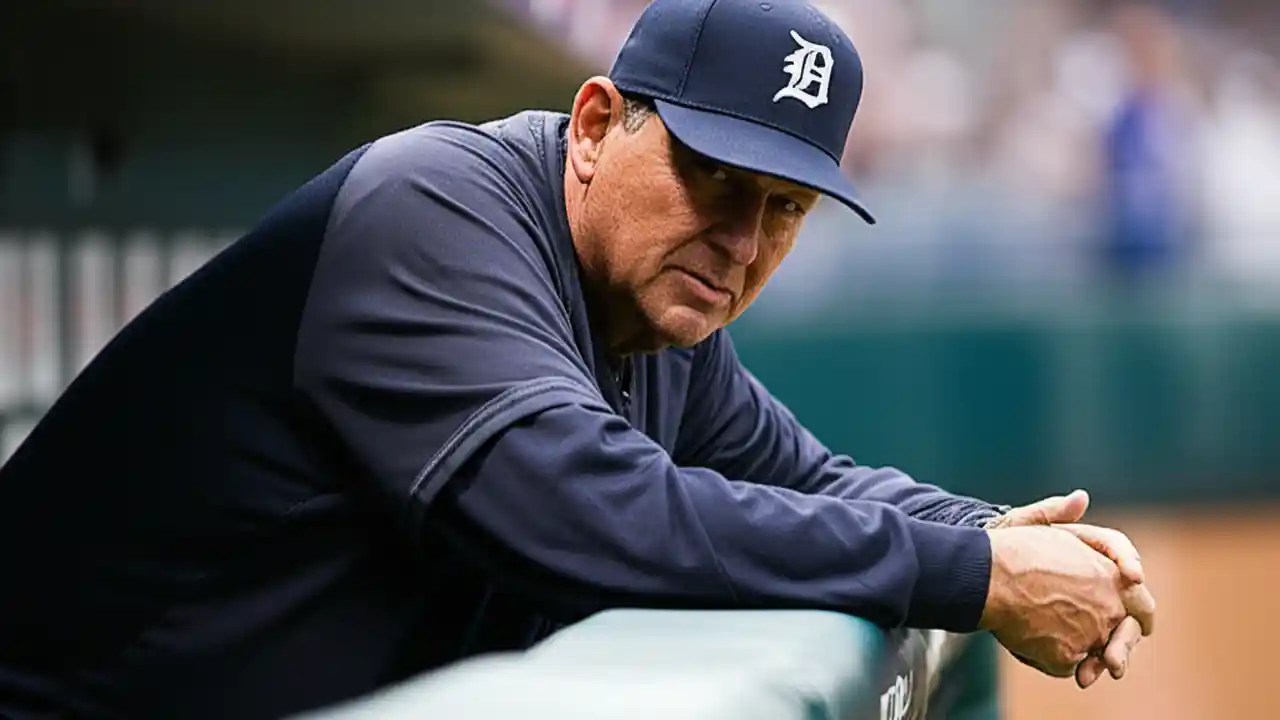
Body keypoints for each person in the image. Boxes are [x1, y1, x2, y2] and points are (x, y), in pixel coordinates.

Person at [0, 1, 1154, 717]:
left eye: (785, 208)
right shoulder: (437, 208)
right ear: (597, 125)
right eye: (712, 179)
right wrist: (971, 578)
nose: (741, 242)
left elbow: (804, 479)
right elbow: (588, 508)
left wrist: (1004, 535)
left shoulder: (661, 314)